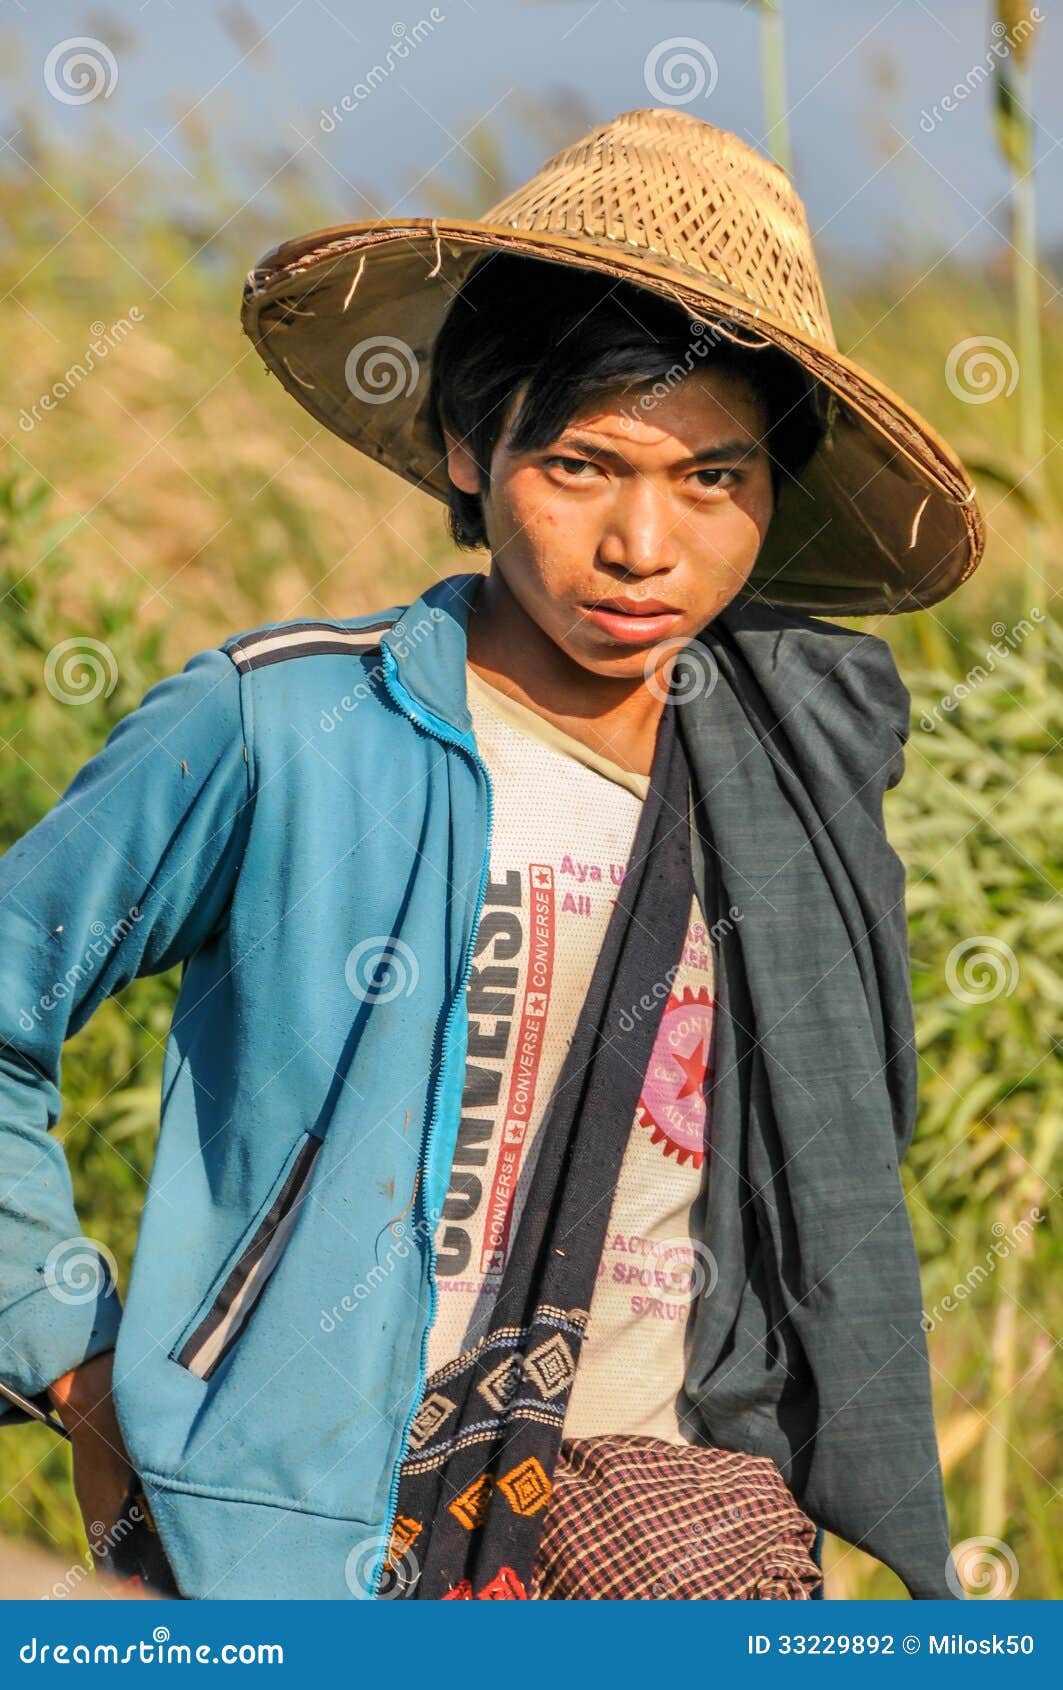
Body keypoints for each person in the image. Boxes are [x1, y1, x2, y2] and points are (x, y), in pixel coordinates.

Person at [0, 108, 983, 1601]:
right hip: (295, 1510)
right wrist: (72, 1361)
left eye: (713, 479)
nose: (646, 544)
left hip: (681, 1510)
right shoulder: (287, 724)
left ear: (771, 494)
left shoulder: (792, 774)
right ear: (471, 439)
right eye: (583, 464)